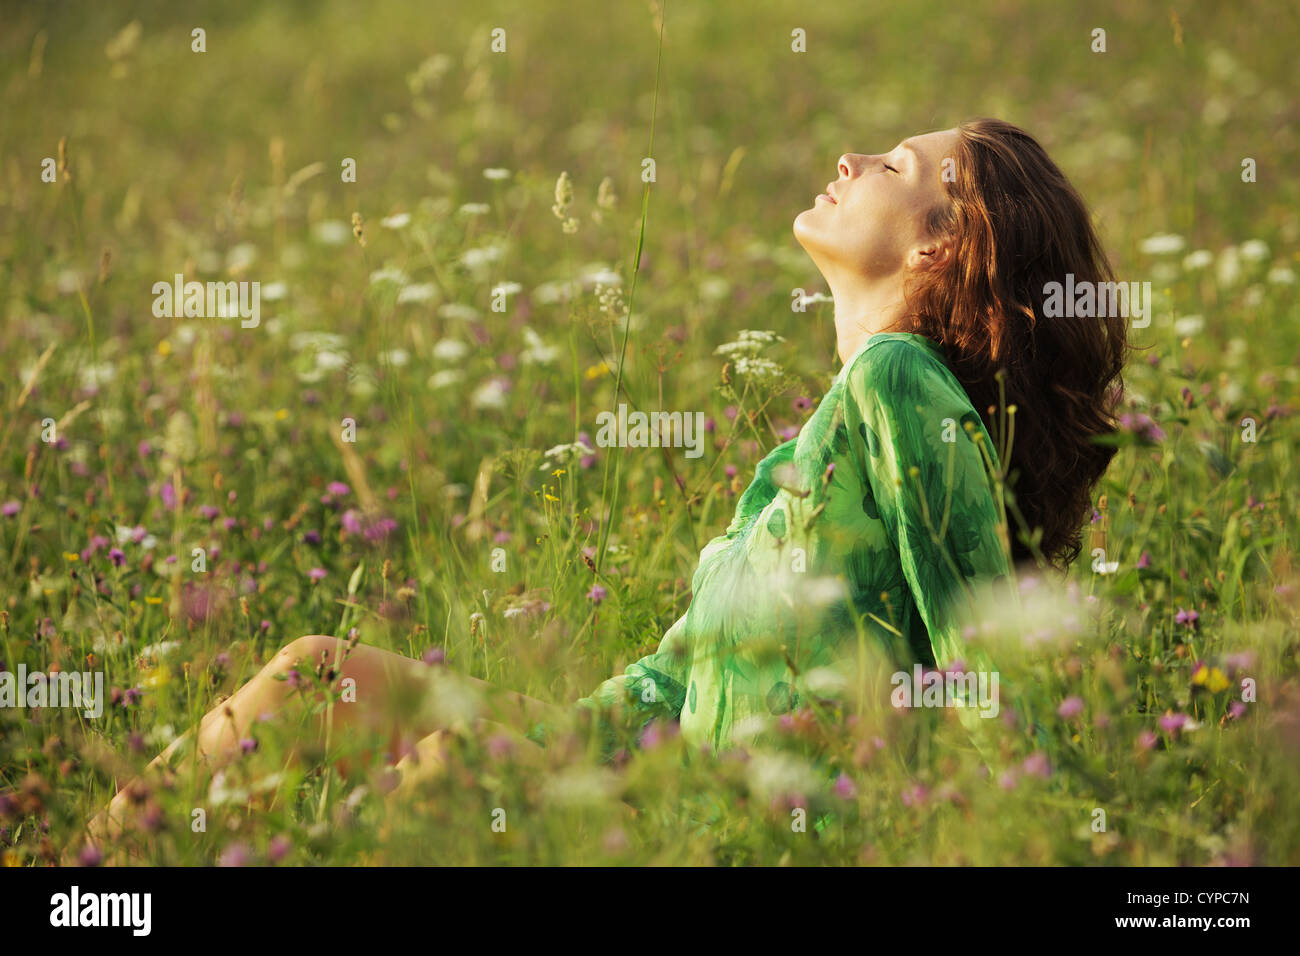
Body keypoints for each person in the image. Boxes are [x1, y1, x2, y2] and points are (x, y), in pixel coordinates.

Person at [82, 118, 1126, 852]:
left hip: (755, 821)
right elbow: (677, 683)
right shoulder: (816, 437)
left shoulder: (905, 386)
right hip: (646, 764)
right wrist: (557, 746)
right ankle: (76, 879)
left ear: (942, 238)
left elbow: (985, 657)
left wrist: (1023, 838)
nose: (849, 158)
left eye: (897, 164)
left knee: (446, 779)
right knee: (318, 673)